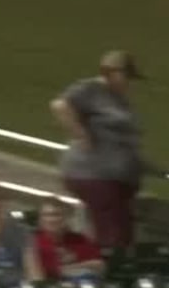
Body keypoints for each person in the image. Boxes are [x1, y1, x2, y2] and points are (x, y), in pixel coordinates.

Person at [50, 50, 146, 252]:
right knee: (112, 234)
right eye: (125, 76)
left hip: (115, 177)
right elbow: (60, 105)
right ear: (109, 73)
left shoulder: (118, 98)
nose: (128, 82)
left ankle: (113, 267)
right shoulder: (91, 89)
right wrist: (81, 134)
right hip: (95, 173)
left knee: (121, 231)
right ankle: (108, 274)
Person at [33, 199, 104, 281]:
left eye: (57, 215)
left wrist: (65, 269)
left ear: (66, 217)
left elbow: (100, 265)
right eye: (47, 215)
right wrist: (83, 266)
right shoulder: (33, 243)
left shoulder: (80, 240)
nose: (53, 219)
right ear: (40, 219)